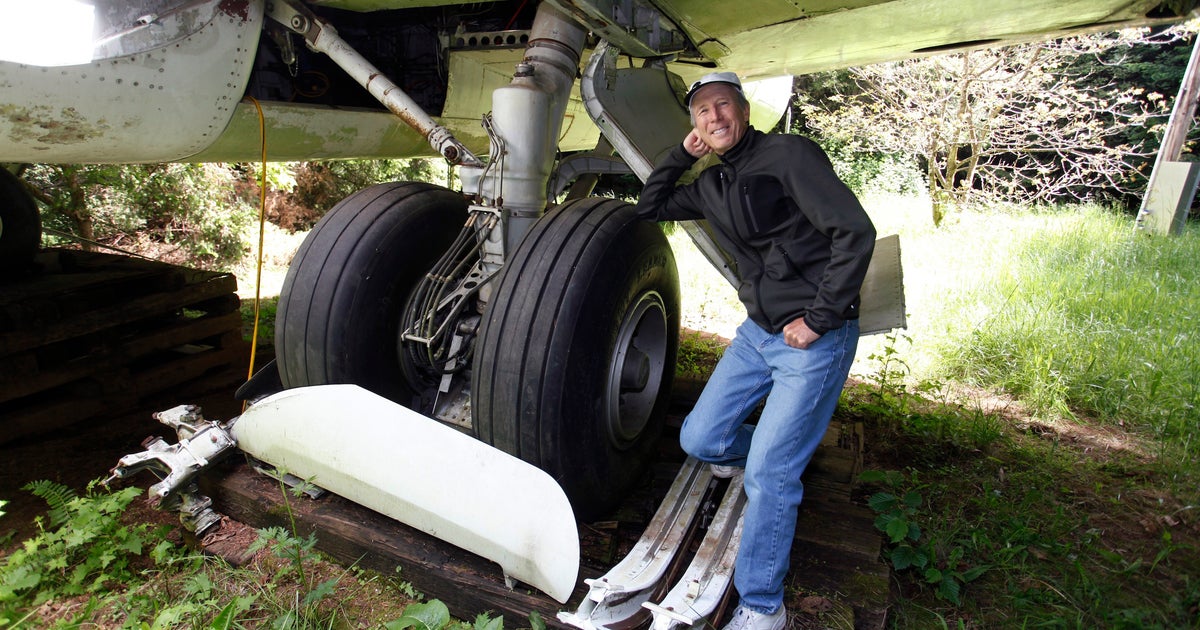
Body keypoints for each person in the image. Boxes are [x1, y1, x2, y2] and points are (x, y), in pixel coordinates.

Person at [634, 72, 876, 630]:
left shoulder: (788, 155)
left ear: (743, 110)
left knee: (768, 475)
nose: (713, 118)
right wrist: (681, 154)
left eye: (722, 106)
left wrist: (819, 320)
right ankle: (782, 454)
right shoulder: (713, 182)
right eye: (700, 112)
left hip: (812, 340)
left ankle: (764, 607)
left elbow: (854, 233)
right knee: (701, 438)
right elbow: (651, 206)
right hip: (758, 333)